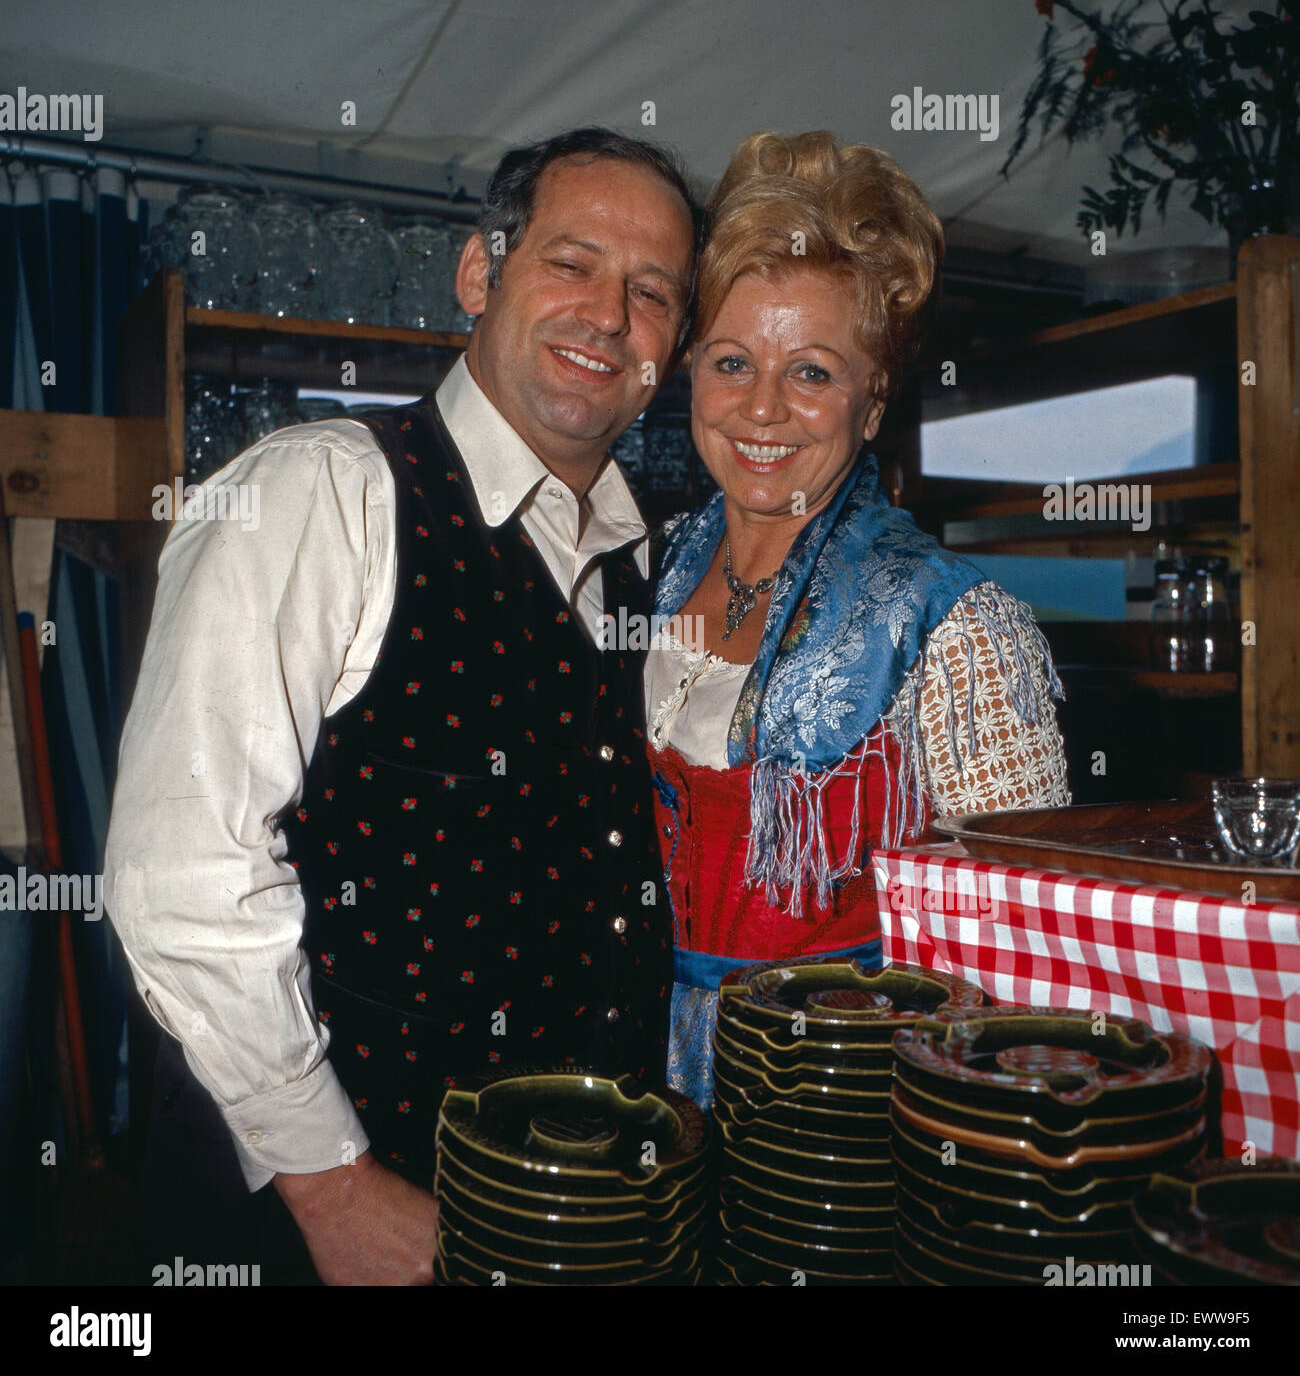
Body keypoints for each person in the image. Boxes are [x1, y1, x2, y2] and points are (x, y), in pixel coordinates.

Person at [103, 127, 704, 1285]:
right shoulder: (319, 490)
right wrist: (332, 1184)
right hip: (318, 1226)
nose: (606, 316)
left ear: (670, 345)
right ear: (480, 275)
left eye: (651, 293)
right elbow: (178, 875)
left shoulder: (644, 566)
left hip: (551, 1219)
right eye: (569, 263)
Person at [642, 132, 1072, 1107]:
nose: (761, 409)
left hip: (835, 1109)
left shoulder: (956, 625)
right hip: (635, 1084)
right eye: (731, 361)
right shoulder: (642, 572)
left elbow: (1016, 960)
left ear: (872, 401)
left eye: (811, 372)